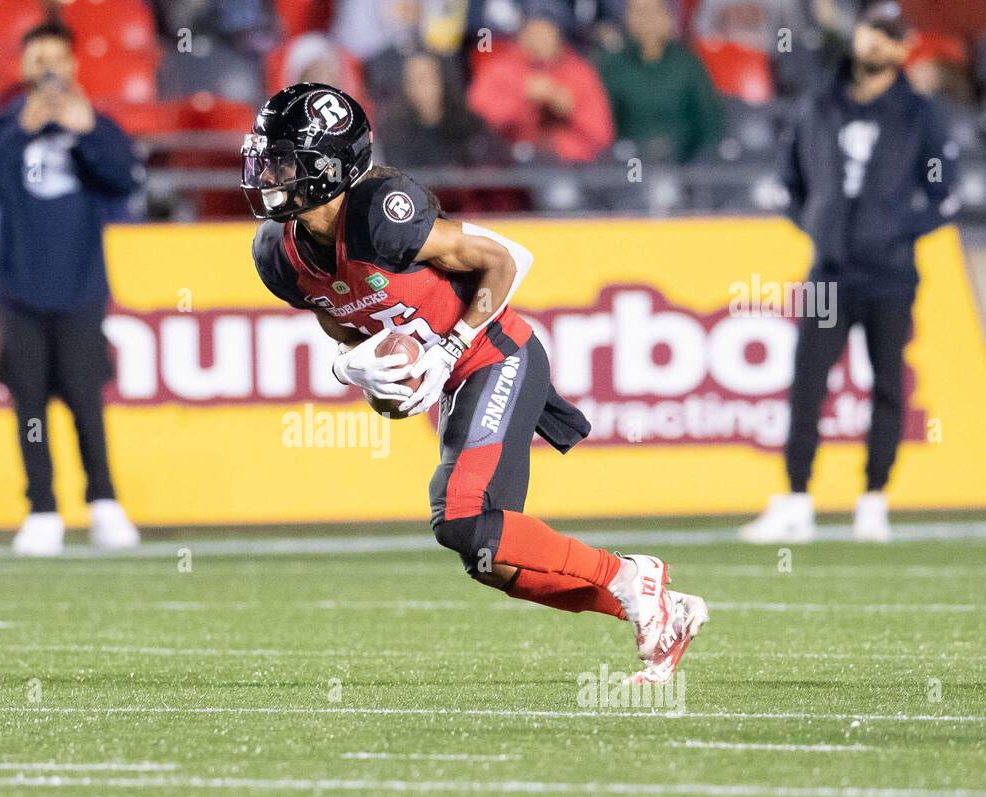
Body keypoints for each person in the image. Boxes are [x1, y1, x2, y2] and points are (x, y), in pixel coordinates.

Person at [242, 83, 709, 685]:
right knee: (491, 560)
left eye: (283, 159)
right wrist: (350, 367)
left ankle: (631, 577)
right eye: (264, 155)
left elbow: (509, 258)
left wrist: (448, 348)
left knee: (460, 516)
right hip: (456, 375)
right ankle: (656, 611)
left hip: (494, 352)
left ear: (331, 167)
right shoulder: (276, 255)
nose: (267, 171)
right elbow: (346, 325)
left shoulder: (383, 216)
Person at [741, 2, 959, 544]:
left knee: (887, 385)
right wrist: (818, 224)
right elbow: (788, 180)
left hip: (890, 275)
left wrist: (894, 229)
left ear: (904, 48)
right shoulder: (820, 102)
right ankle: (796, 499)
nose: (878, 45)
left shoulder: (919, 112)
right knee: (808, 385)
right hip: (829, 273)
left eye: (891, 37)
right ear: (858, 35)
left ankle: (873, 500)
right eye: (873, 32)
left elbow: (945, 192)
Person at [0, 22, 143, 557]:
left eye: (56, 58)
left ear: (73, 66)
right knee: (30, 405)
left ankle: (103, 500)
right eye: (37, 57)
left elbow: (125, 182)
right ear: (21, 67)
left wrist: (85, 134)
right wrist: (21, 130)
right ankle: (41, 507)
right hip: (18, 288)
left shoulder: (98, 125)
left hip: (81, 287)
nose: (47, 69)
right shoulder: (1, 127)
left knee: (87, 400)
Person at [467, 4, 614, 163]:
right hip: (506, 167)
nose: (538, 39)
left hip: (562, 168)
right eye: (532, 31)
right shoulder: (502, 68)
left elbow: (601, 137)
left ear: (558, 35)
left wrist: (571, 110)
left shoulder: (580, 73)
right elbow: (476, 122)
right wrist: (523, 96)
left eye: (545, 32)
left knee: (561, 187)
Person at [596, 0, 725, 162]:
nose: (647, 19)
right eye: (638, 12)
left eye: (654, 11)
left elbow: (710, 125)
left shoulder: (688, 64)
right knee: (634, 178)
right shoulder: (611, 66)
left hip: (682, 164)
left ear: (668, 17)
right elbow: (601, 127)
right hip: (631, 164)